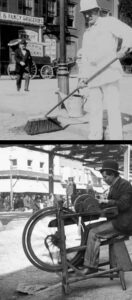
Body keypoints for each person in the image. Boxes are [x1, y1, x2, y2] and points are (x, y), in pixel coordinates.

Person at [77, 0, 132, 140]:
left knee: (113, 107)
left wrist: (124, 49)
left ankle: (116, 137)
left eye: (90, 12)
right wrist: (82, 77)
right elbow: (85, 58)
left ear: (97, 11)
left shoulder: (109, 22)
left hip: (109, 71)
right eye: (85, 14)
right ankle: (95, 136)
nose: (88, 16)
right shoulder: (87, 33)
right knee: (95, 108)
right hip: (93, 75)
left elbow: (129, 32)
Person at [80, 160, 132, 275]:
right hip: (116, 220)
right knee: (87, 228)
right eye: (103, 177)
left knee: (94, 233)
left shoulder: (125, 185)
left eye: (105, 177)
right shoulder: (113, 186)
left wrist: (107, 201)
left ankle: (91, 266)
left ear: (113, 174)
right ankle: (82, 259)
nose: (104, 180)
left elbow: (124, 205)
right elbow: (113, 205)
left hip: (123, 223)